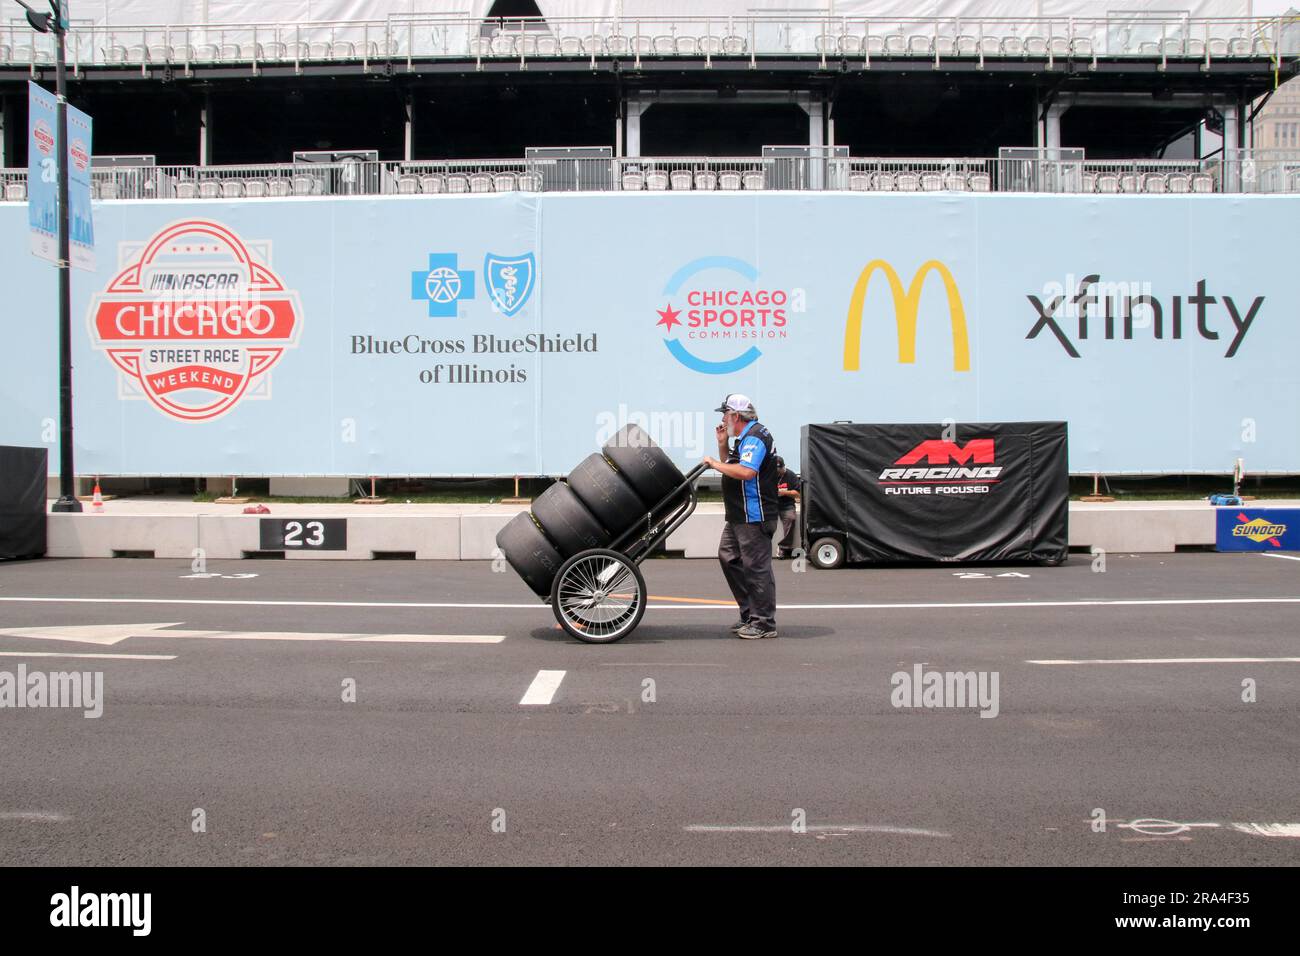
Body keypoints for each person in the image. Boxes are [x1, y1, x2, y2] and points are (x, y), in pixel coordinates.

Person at [702, 394, 779, 640]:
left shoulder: (755, 437)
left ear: (736, 416)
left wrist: (714, 463)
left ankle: (764, 622)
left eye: (725, 414)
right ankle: (750, 613)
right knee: (729, 557)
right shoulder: (745, 438)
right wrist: (723, 444)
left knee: (756, 569)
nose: (723, 419)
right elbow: (731, 464)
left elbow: (745, 472)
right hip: (738, 515)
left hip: (753, 515)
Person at [773, 455, 802, 559]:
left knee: (791, 518)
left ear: (783, 466)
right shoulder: (768, 475)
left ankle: (783, 547)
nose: (778, 471)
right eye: (776, 470)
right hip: (771, 504)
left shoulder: (790, 475)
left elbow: (798, 494)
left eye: (780, 469)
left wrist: (784, 492)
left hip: (786, 505)